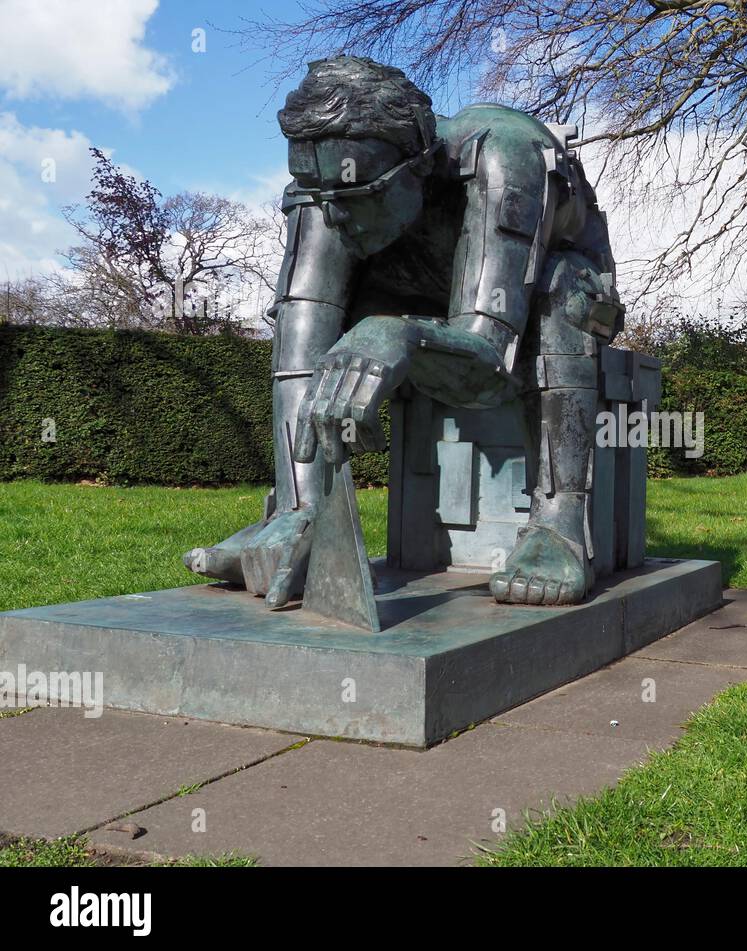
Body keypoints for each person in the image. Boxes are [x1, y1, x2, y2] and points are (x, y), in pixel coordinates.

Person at [184, 56, 622, 607]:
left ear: (415, 163)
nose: (336, 218)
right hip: (423, 285)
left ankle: (558, 527)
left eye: (360, 198)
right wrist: (305, 505)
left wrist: (398, 335)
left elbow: (487, 369)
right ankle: (295, 519)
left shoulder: (503, 158)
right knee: (313, 297)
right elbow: (303, 339)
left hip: (539, 282)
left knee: (567, 291)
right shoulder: (330, 183)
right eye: (325, 199)